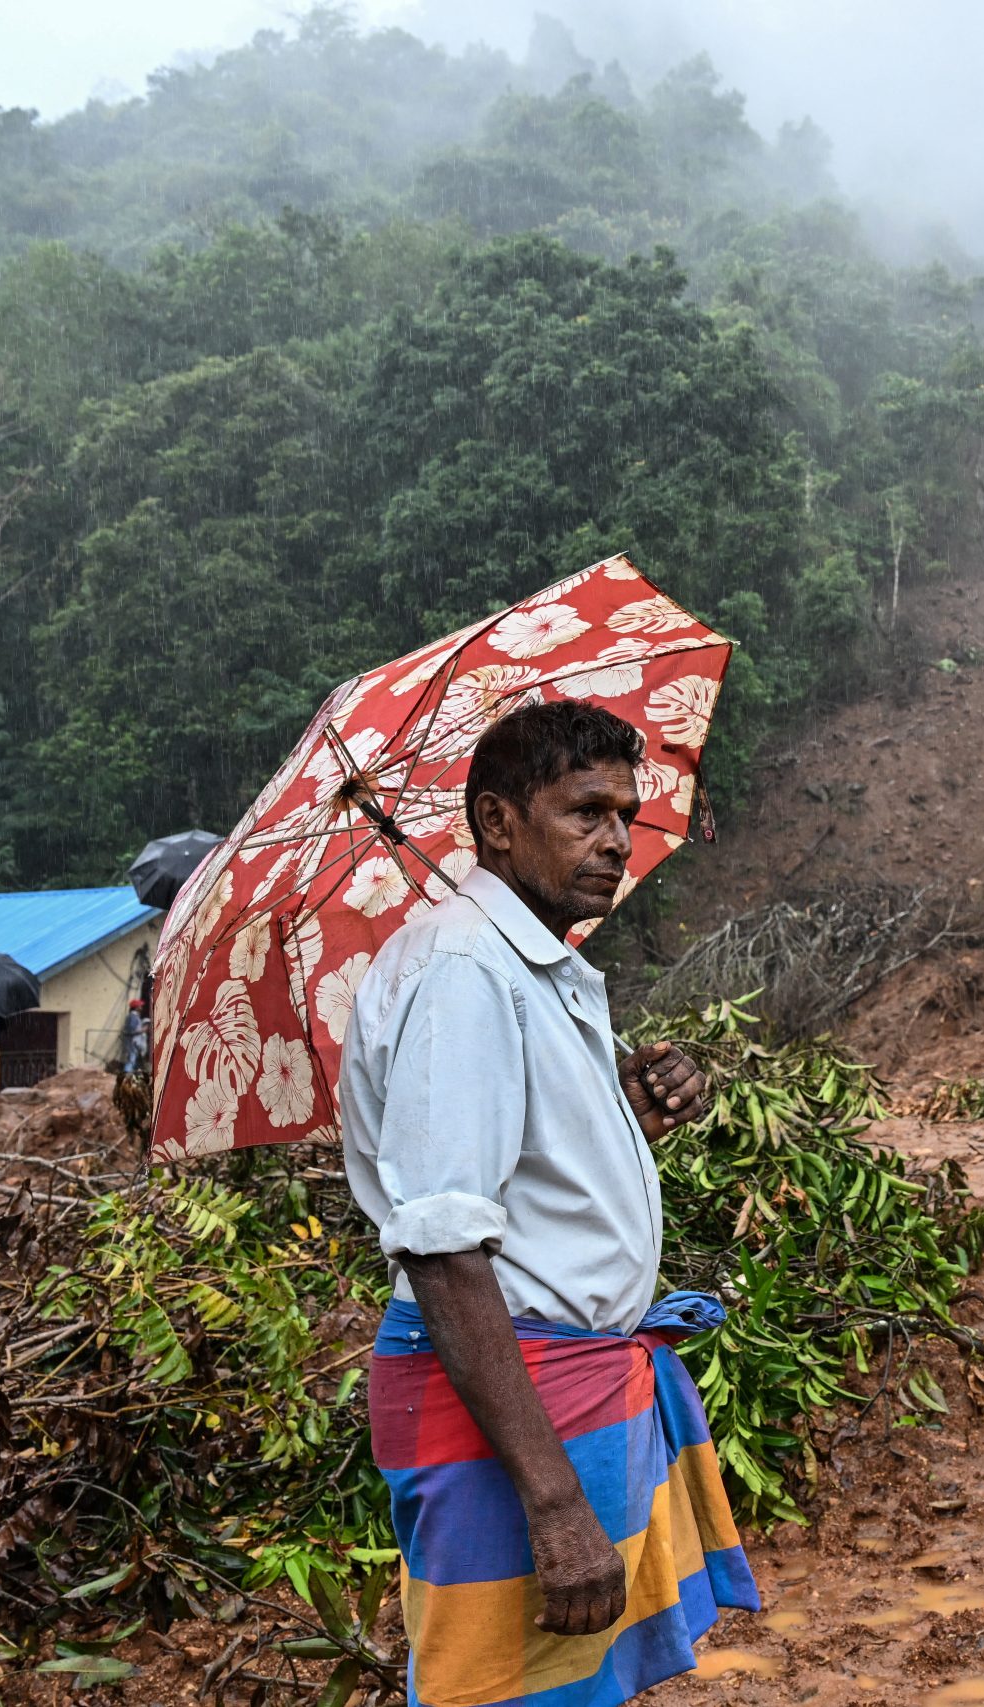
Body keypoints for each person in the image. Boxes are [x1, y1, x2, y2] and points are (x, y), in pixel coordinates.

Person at [340, 700, 756, 1704]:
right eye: (583, 813)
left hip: (565, 1385)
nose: (616, 841)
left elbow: (522, 1174)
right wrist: (556, 1501)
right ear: (496, 821)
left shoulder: (534, 964)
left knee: (574, 1685)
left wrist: (629, 1122)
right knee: (508, 1690)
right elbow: (443, 1244)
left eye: (625, 813)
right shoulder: (465, 974)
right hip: (516, 1408)